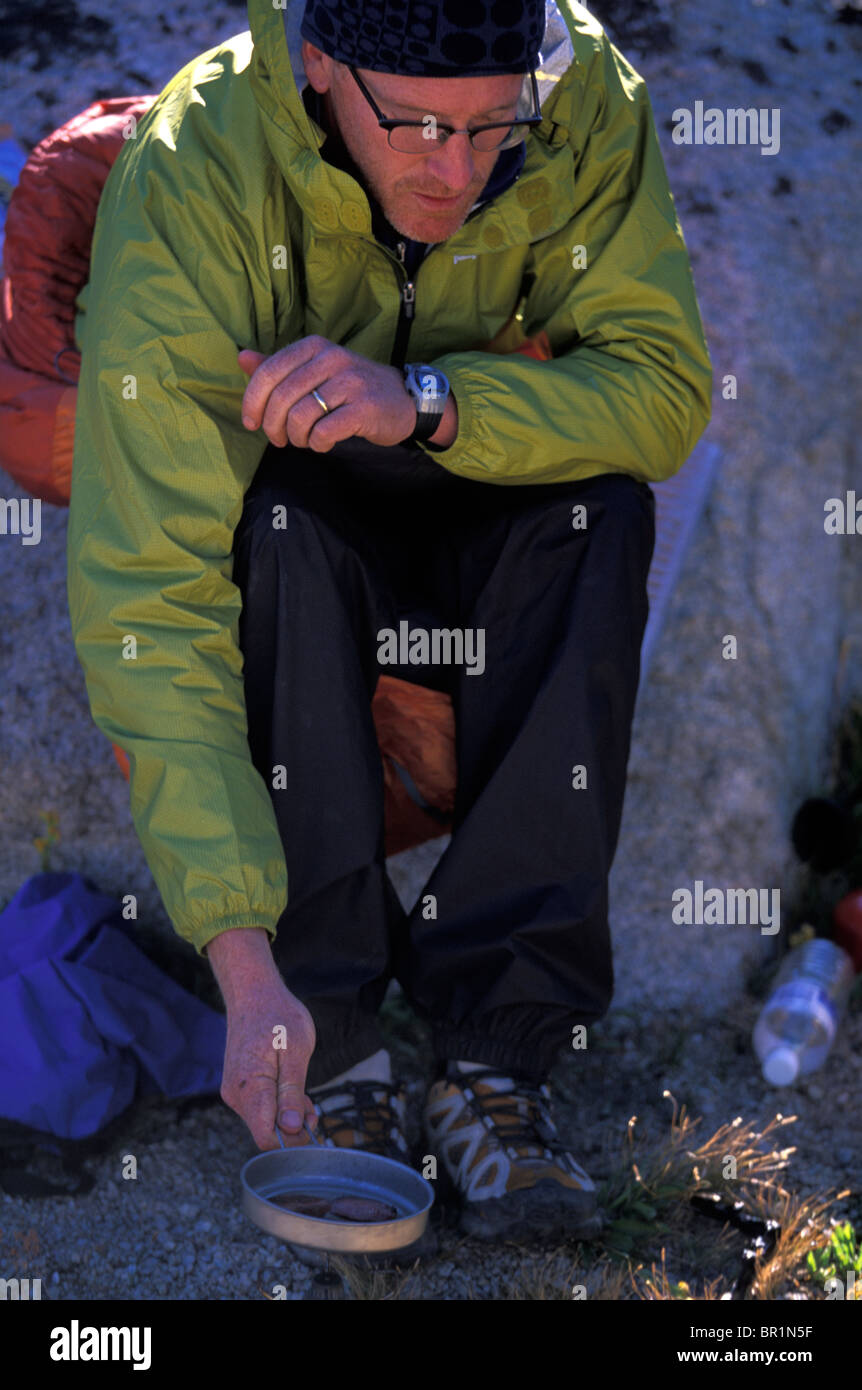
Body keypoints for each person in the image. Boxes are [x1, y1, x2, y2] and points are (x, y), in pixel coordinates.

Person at [67, 0, 712, 1255]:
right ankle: (329, 1034)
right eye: (412, 123)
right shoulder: (198, 167)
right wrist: (244, 973)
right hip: (303, 521)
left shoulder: (583, 94)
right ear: (318, 62)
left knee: (603, 516)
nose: (455, 171)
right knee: (280, 530)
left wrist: (422, 399)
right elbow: (150, 593)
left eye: (490, 127)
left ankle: (494, 1057)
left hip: (483, 460)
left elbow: (664, 385)